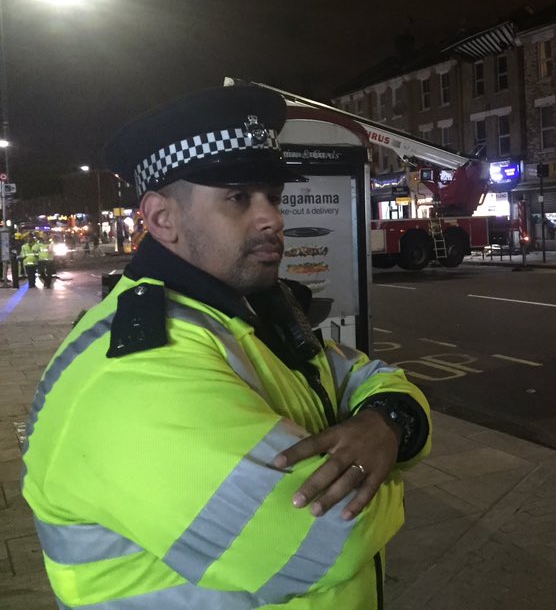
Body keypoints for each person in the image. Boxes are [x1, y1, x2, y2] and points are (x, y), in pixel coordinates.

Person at [22, 85, 431, 610]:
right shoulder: (139, 372)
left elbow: (357, 375)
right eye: (239, 198)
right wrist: (390, 457)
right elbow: (332, 538)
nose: (273, 219)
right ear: (161, 218)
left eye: (274, 198)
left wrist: (385, 423)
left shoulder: (244, 313)